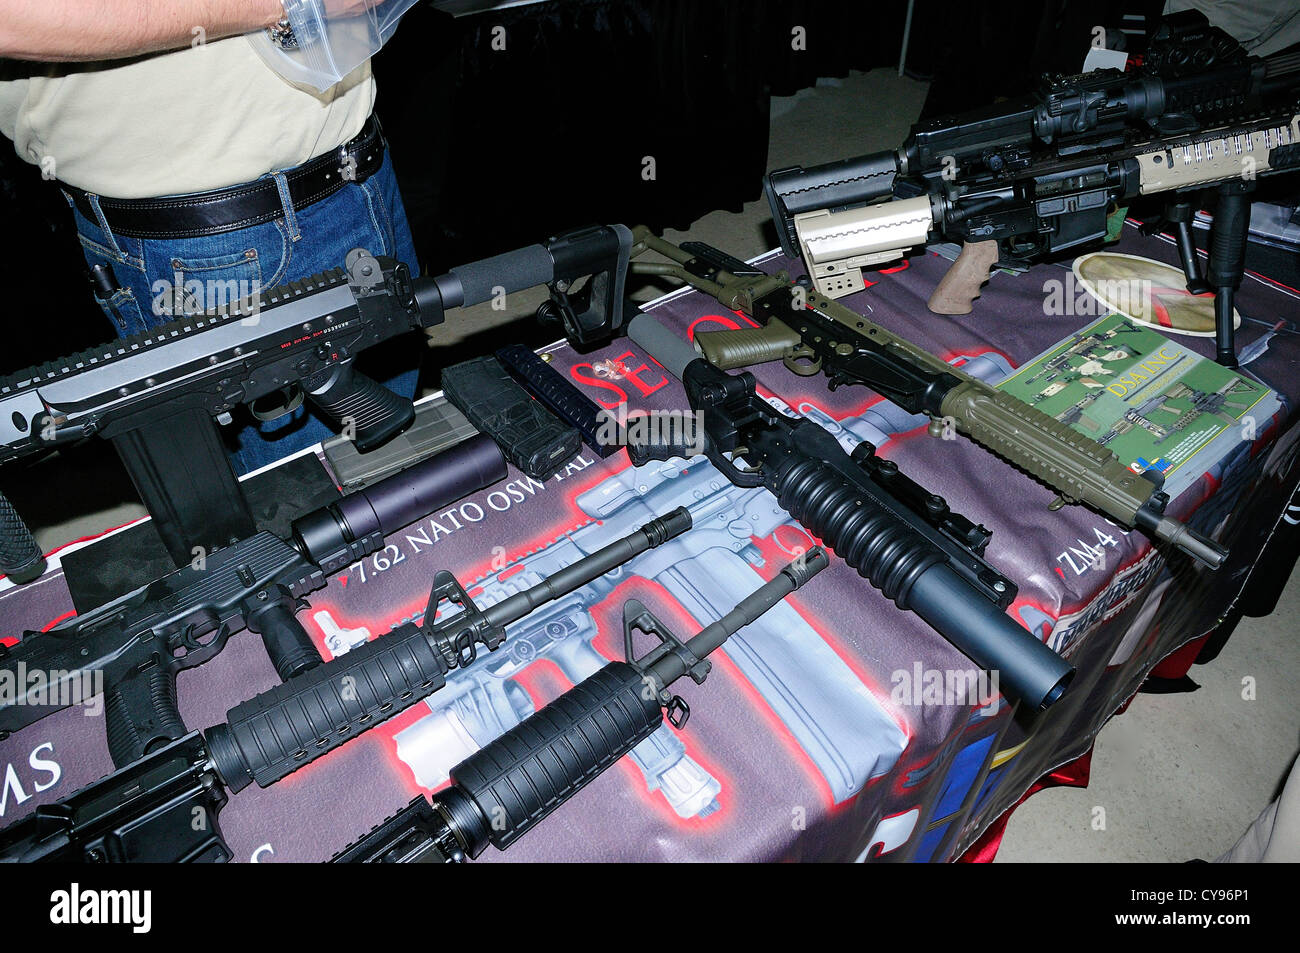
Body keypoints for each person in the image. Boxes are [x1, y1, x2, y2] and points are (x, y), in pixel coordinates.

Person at [0, 1, 421, 474]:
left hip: (359, 167)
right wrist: (293, 4)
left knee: (400, 453)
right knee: (294, 493)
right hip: (210, 240)